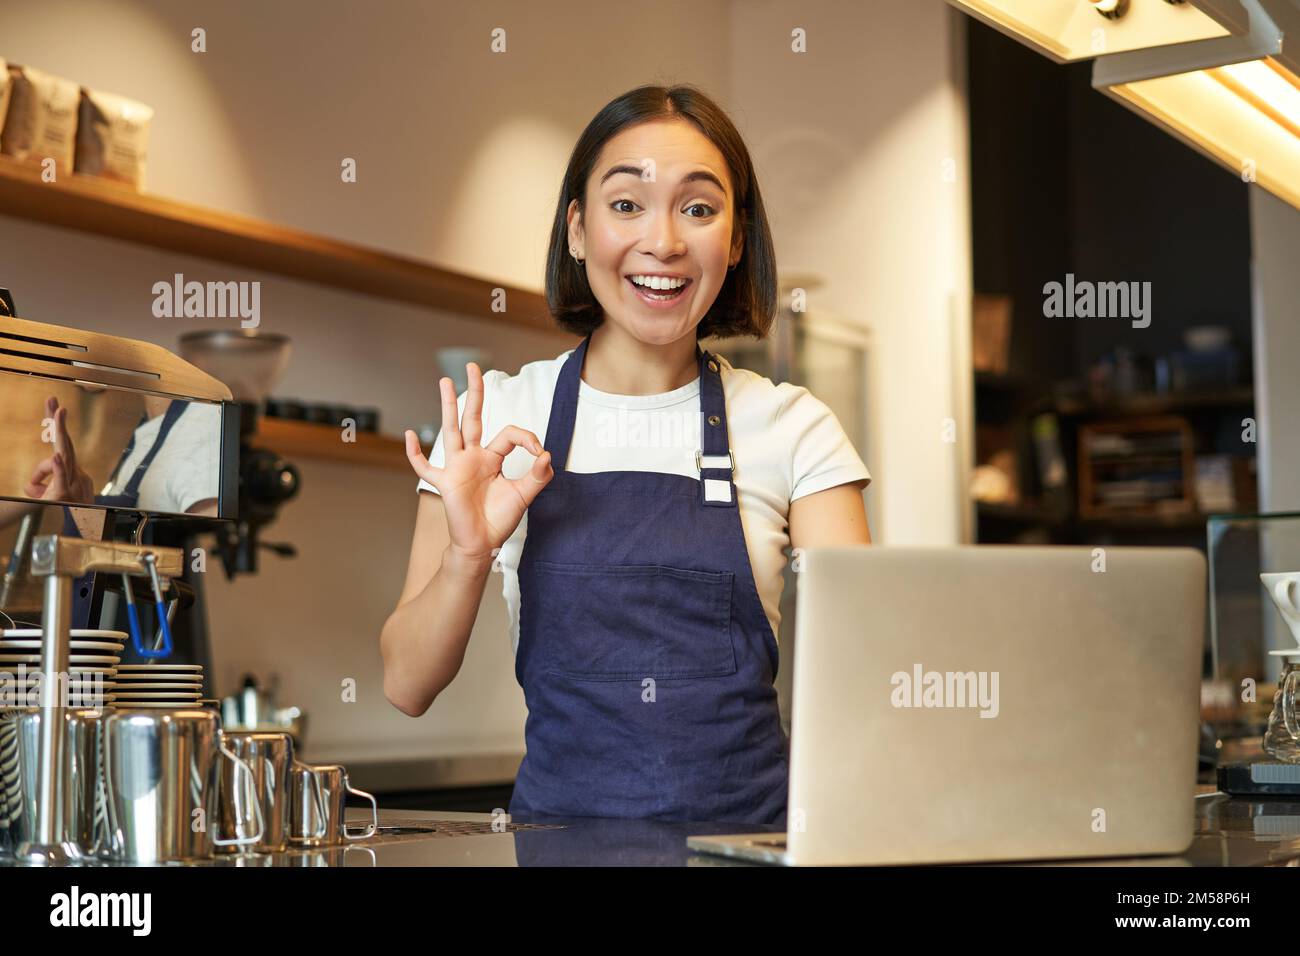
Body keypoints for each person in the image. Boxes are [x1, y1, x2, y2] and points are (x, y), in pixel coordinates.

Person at [381, 84, 871, 826]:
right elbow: (406, 685)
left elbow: (865, 684)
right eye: (626, 204)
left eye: (700, 208)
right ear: (577, 230)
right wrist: (467, 553)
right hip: (559, 849)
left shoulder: (793, 427)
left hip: (745, 854)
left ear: (736, 241)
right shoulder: (499, 420)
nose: (665, 242)